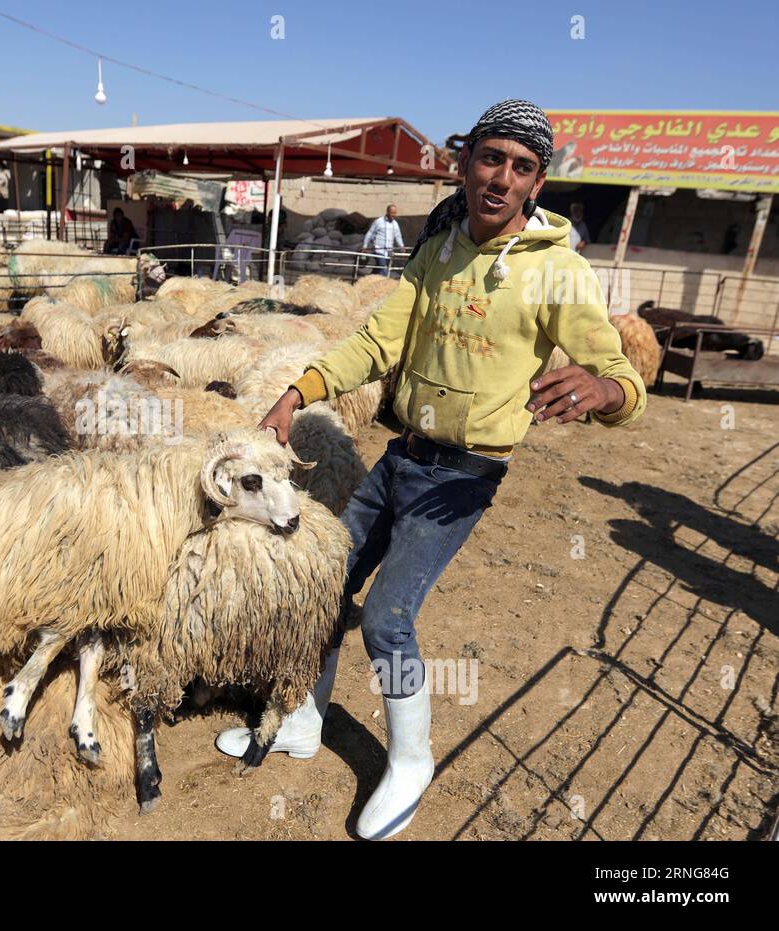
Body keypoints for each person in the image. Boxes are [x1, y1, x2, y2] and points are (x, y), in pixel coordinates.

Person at [218, 99, 647, 840]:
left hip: (462, 477)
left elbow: (622, 379)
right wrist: (299, 390)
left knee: (388, 616)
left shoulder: (558, 271)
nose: (501, 178)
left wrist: (608, 388)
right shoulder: (440, 245)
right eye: (491, 158)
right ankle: (305, 716)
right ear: (465, 161)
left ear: (536, 181)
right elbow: (377, 341)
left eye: (521, 167)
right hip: (402, 455)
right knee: (321, 579)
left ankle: (411, 759)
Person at [362, 204, 405, 277]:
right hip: (379, 250)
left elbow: (398, 236)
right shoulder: (378, 221)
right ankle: (382, 284)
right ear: (387, 212)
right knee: (383, 267)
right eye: (392, 213)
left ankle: (368, 279)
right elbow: (370, 233)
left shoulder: (395, 224)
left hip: (389, 252)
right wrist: (364, 246)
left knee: (378, 268)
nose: (394, 215)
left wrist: (401, 246)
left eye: (395, 213)